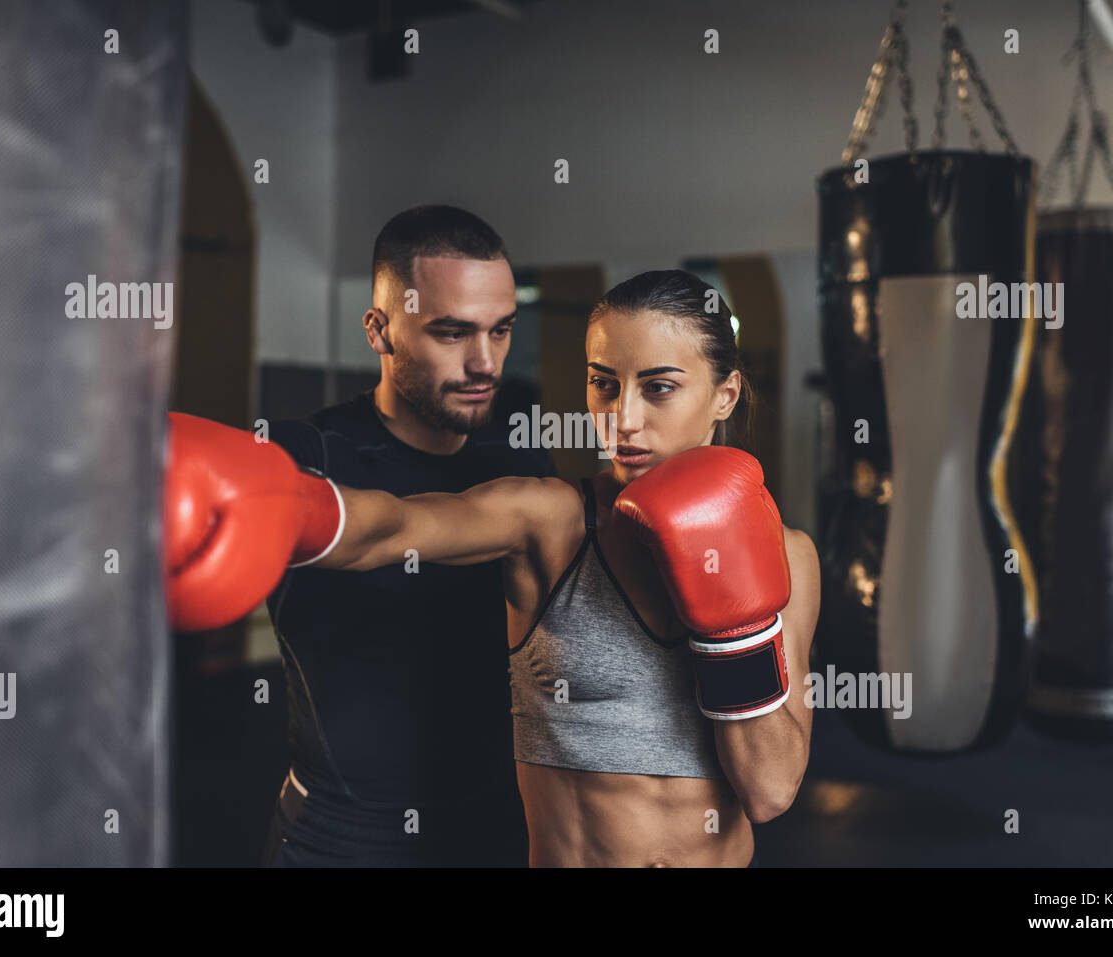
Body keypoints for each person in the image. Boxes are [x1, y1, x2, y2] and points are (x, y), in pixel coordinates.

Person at [167, 269, 818, 867]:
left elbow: (770, 790)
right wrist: (281, 502)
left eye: (659, 387)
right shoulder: (548, 520)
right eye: (602, 382)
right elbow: (393, 526)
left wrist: (735, 625)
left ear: (725, 393)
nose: (623, 418)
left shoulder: (788, 555)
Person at [175, 205, 556, 866]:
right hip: (341, 836)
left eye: (501, 330)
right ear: (379, 330)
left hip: (498, 825)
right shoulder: (305, 455)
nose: (485, 361)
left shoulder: (521, 464)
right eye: (452, 332)